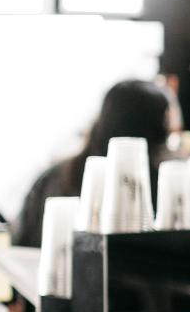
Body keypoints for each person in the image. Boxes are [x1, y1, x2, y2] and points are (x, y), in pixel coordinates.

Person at [14, 80, 176, 246]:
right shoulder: (150, 188)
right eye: (166, 120)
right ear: (155, 128)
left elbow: (19, 239)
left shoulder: (53, 176)